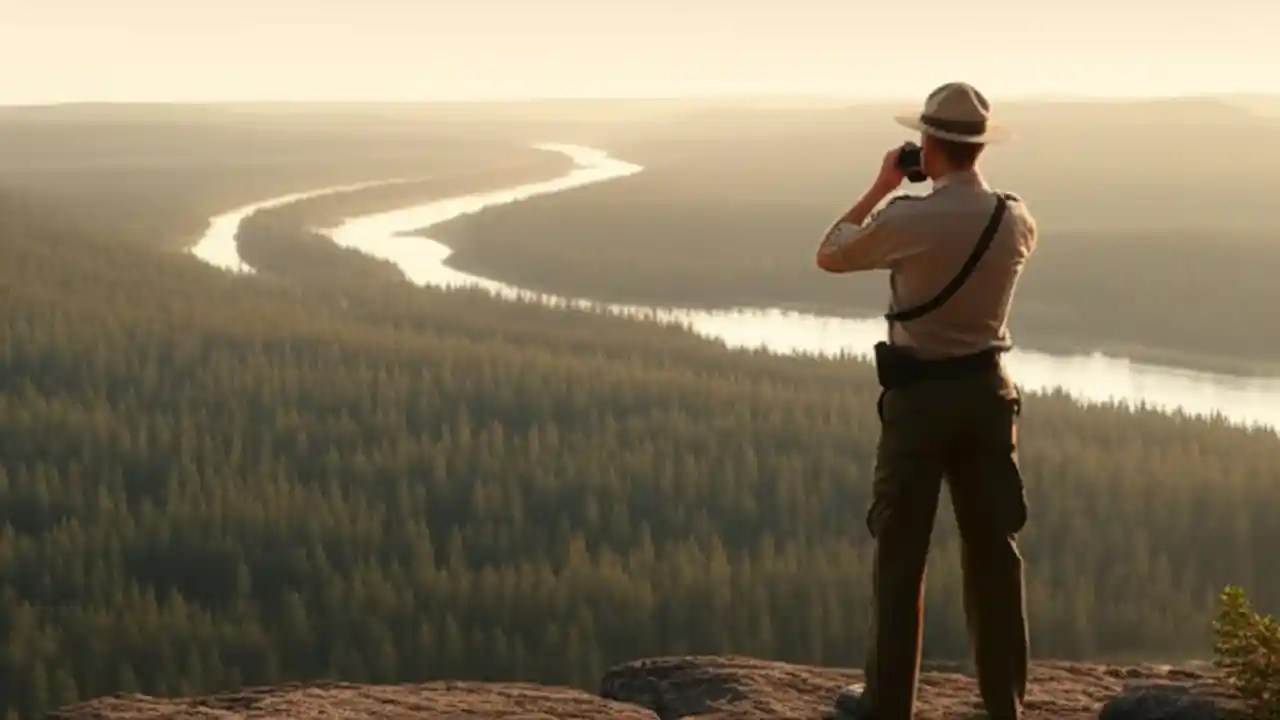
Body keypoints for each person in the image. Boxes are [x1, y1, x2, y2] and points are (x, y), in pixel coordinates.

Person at [815, 82, 1038, 720]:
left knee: (902, 553)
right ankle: (1005, 706)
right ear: (979, 145)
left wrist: (884, 185)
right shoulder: (1015, 217)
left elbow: (830, 253)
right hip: (990, 397)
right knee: (994, 551)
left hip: (919, 400)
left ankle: (889, 705)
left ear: (929, 145)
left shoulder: (911, 218)